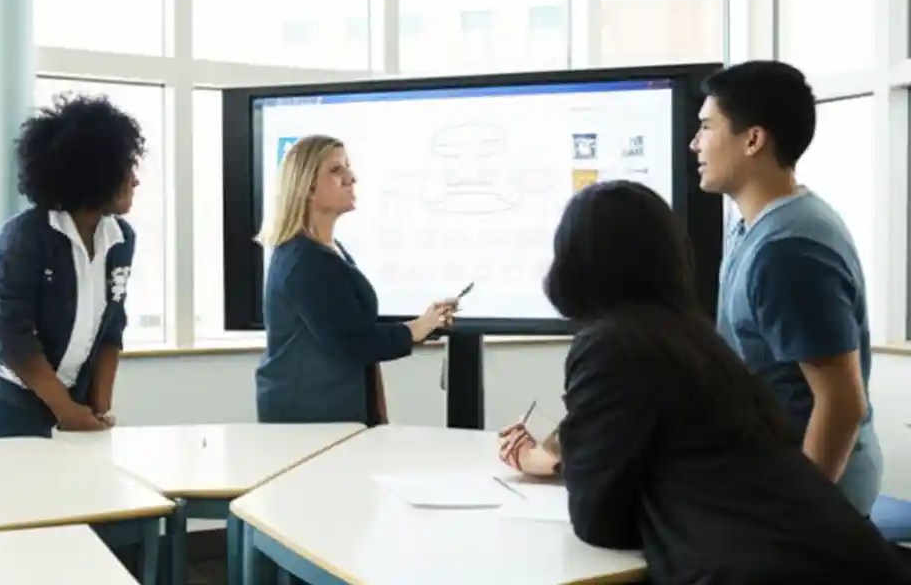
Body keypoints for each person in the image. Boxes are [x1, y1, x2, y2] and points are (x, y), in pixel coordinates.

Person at [497, 180, 910, 583]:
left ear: (573, 262)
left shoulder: (610, 346)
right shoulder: (698, 345)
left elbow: (600, 523)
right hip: (843, 556)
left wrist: (565, 465)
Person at [689, 60, 881, 515]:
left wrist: (803, 517)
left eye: (706, 127)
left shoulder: (789, 251)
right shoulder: (753, 228)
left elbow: (841, 402)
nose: (695, 143)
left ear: (753, 139)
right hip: (772, 475)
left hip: (810, 494)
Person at [0, 92, 141, 437]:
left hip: (68, 392)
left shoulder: (121, 239)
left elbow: (112, 327)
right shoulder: (23, 237)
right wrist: (65, 410)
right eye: (127, 166)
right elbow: (12, 337)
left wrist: (97, 407)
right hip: (2, 395)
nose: (135, 179)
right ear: (96, 171)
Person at [254, 135, 456, 425]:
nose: (352, 178)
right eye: (337, 170)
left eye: (347, 167)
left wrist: (425, 323)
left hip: (331, 407)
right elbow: (351, 341)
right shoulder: (306, 261)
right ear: (307, 187)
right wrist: (416, 328)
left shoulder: (326, 250)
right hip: (313, 416)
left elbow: (349, 322)